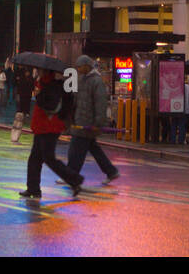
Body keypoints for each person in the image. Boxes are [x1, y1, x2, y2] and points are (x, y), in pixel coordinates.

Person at [19, 69, 83, 199]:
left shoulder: (50, 86)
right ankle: (33, 189)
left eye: (39, 70)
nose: (37, 72)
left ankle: (75, 179)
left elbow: (48, 104)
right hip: (42, 127)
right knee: (34, 159)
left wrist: (38, 94)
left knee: (49, 159)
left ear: (45, 72)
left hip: (49, 127)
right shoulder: (44, 84)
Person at [65, 55, 120, 183]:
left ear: (87, 66)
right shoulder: (82, 79)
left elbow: (100, 103)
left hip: (88, 122)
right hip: (81, 120)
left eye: (80, 66)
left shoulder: (96, 81)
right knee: (93, 149)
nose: (78, 69)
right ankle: (111, 171)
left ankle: (70, 175)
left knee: (76, 149)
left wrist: (98, 122)